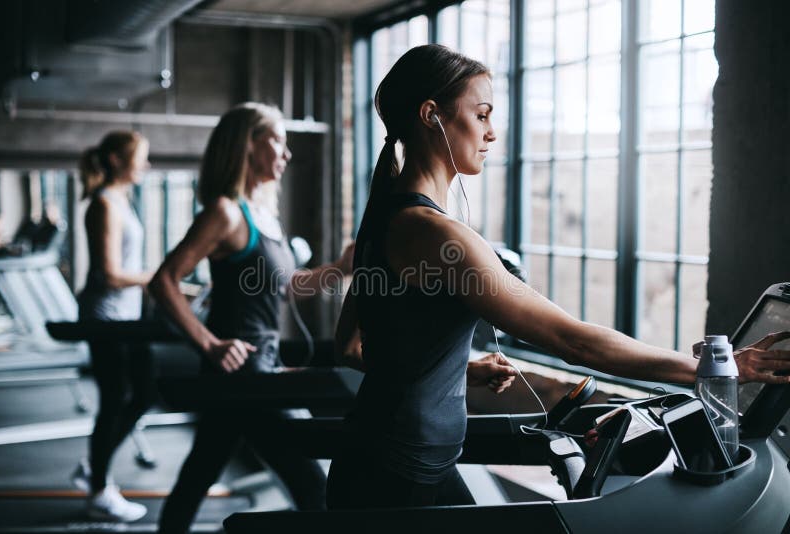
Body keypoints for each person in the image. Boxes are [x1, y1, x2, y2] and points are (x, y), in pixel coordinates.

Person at [328, 43, 790, 510]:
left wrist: (461, 369)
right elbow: (573, 341)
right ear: (431, 115)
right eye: (482, 114)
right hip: (399, 478)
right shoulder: (436, 234)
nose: (492, 132)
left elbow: (350, 348)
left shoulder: (382, 219)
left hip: (388, 461)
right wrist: (703, 369)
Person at [149, 102, 354, 534]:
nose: (287, 153)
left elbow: (289, 285)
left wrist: (341, 267)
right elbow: (164, 281)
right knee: (313, 487)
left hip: (260, 367)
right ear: (248, 144)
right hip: (242, 373)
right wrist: (208, 343)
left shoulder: (264, 217)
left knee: (199, 472)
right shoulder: (225, 213)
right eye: (277, 140)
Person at [73, 131, 155, 522]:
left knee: (143, 392)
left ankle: (94, 467)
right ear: (119, 160)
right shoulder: (104, 203)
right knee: (115, 398)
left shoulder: (121, 200)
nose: (147, 165)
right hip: (106, 317)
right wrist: (157, 278)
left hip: (126, 318)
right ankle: (99, 491)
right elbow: (109, 274)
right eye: (141, 158)